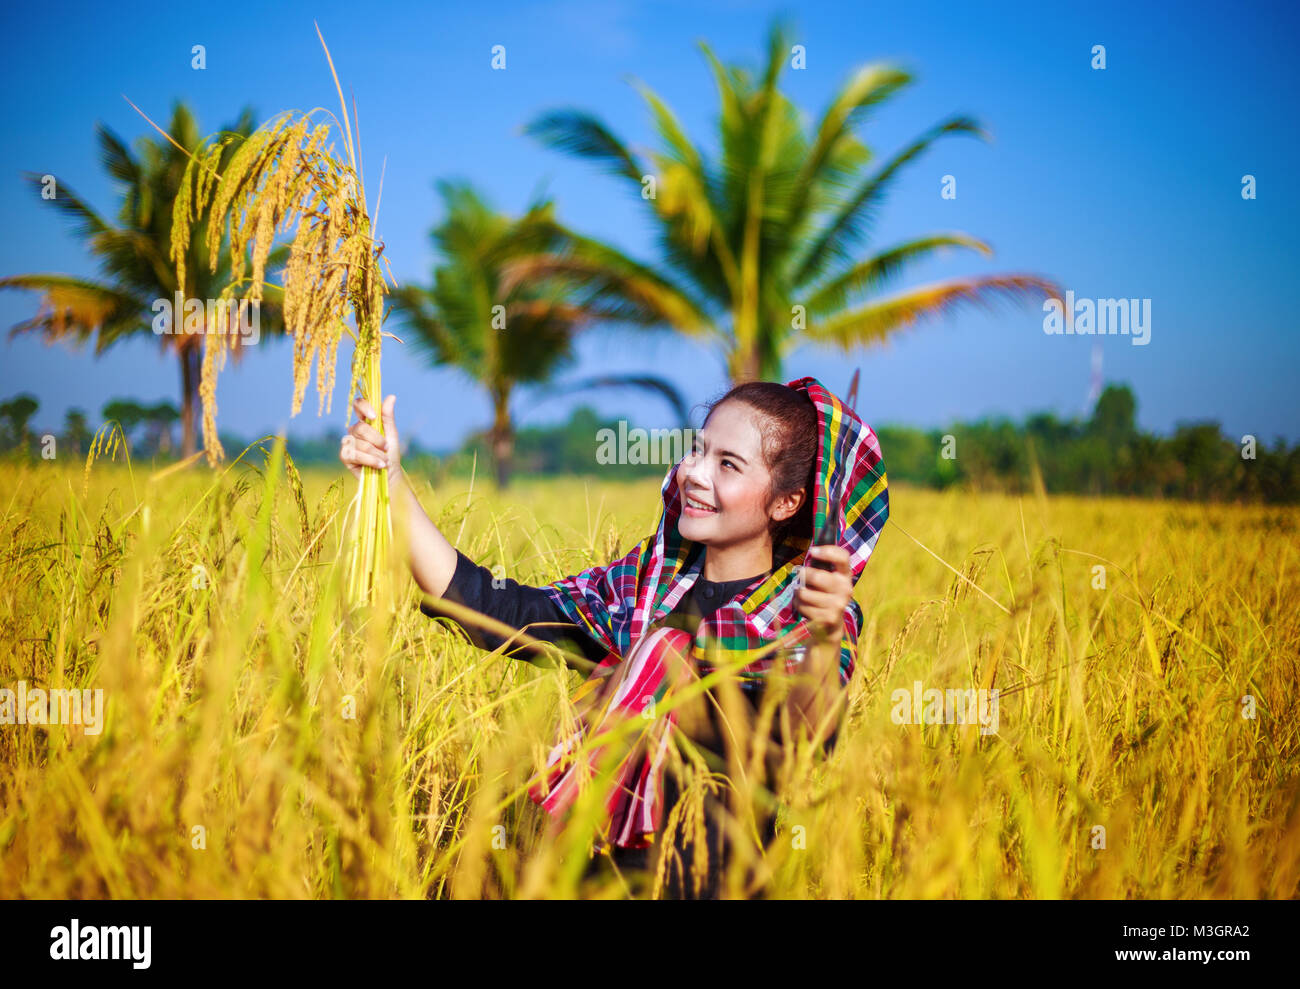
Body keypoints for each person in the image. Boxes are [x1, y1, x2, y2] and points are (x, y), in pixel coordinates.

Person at [339, 375, 889, 898]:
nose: (695, 473)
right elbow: (492, 608)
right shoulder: (642, 590)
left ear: (786, 502)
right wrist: (391, 480)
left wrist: (821, 636)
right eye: (698, 451)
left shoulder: (808, 613)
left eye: (728, 464)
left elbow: (806, 734)